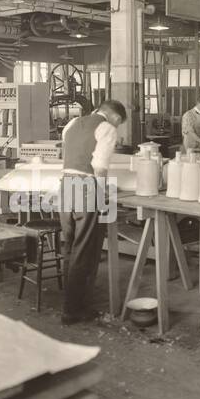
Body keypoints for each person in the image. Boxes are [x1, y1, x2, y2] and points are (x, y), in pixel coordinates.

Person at [58, 99, 126, 325]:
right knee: (84, 250)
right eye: (119, 123)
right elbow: (99, 167)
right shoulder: (107, 128)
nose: (117, 128)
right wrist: (102, 193)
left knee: (70, 246)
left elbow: (69, 154)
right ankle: (73, 310)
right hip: (86, 187)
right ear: (115, 117)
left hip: (65, 185)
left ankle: (69, 303)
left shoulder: (72, 123)